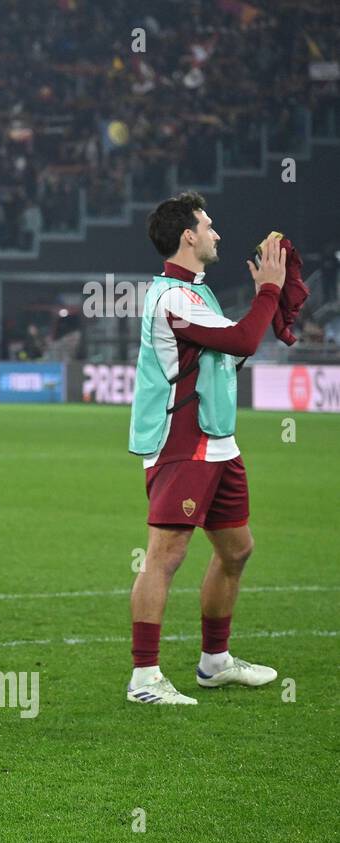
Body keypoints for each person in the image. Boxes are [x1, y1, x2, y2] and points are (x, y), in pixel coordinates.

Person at [126, 191, 285, 705]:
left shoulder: (195, 293)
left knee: (237, 549)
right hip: (183, 444)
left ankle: (215, 663)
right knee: (164, 556)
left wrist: (269, 301)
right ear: (187, 236)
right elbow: (242, 341)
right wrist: (269, 292)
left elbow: (224, 354)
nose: (217, 234)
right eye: (208, 225)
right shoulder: (173, 296)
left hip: (217, 442)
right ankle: (144, 678)